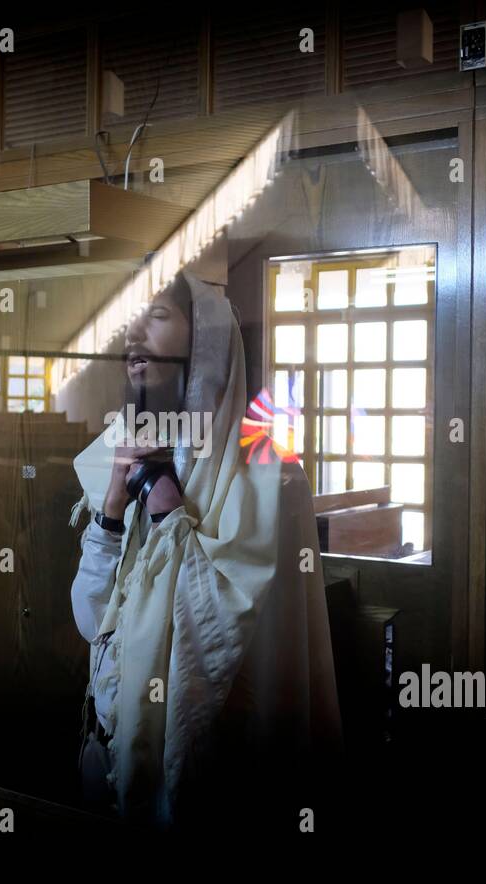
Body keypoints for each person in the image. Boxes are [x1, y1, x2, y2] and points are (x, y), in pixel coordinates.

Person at [68, 269, 344, 834]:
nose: (133, 332)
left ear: (206, 343)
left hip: (222, 774)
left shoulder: (271, 475)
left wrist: (169, 508)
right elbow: (94, 621)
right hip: (114, 757)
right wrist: (115, 506)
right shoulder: (119, 453)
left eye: (158, 315)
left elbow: (224, 647)